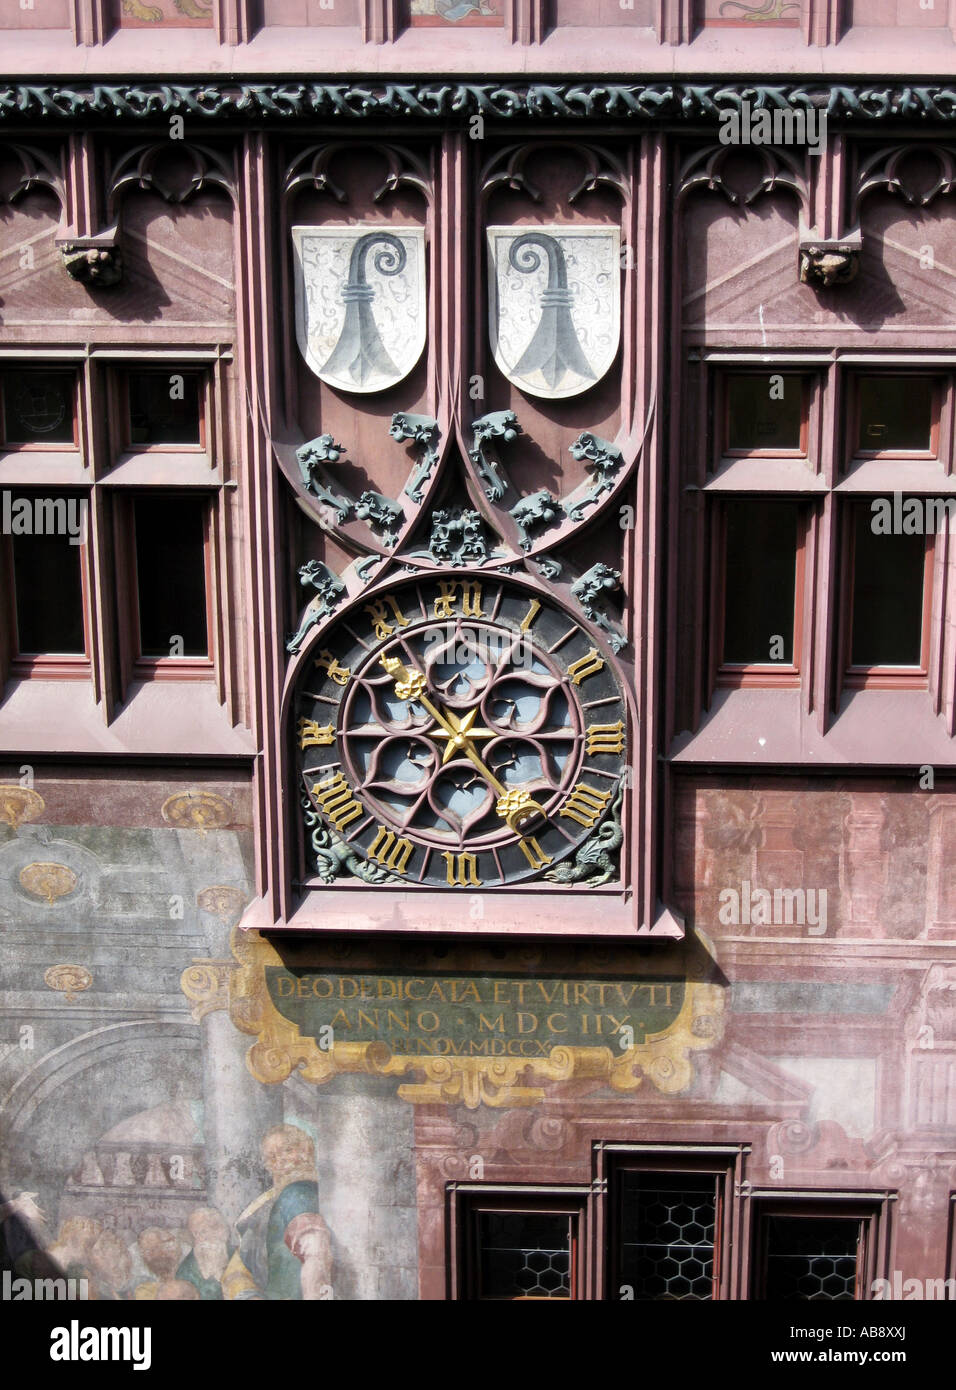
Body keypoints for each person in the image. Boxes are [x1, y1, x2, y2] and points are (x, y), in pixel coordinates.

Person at [222, 1123, 333, 1300]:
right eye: (272, 1157)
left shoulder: (300, 1192)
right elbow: (237, 1272)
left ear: (306, 1151)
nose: (280, 1161)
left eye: (287, 1151)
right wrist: (248, 1296)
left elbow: (317, 1256)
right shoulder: (264, 1207)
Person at [176, 1207, 230, 1299]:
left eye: (203, 1232)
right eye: (195, 1234)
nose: (199, 1240)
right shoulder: (186, 1269)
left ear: (219, 1230)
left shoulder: (238, 1255)